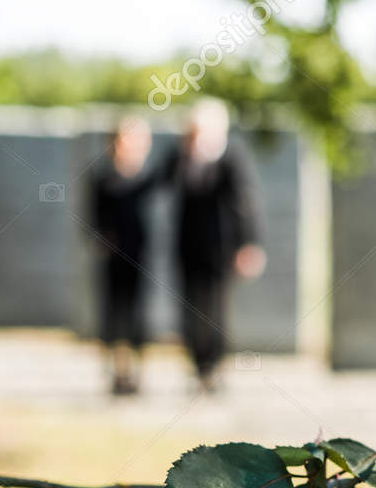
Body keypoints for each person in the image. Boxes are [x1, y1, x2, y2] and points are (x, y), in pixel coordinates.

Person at [166, 99, 266, 392]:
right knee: (189, 308)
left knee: (217, 309)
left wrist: (249, 243)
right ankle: (197, 365)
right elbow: (162, 182)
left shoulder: (230, 157)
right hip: (187, 246)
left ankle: (214, 366)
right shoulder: (180, 157)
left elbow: (245, 202)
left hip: (221, 248)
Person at [89, 116, 158, 396]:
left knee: (138, 315)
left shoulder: (147, 178)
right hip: (112, 258)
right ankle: (116, 371)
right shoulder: (103, 178)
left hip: (140, 257)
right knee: (113, 314)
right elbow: (92, 219)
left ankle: (136, 371)